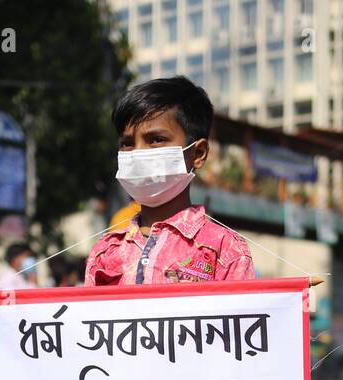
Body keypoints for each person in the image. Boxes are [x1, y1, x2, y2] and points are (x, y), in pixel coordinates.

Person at [85, 76, 255, 286]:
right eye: (127, 143)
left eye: (156, 140)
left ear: (198, 153)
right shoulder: (105, 252)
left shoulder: (225, 250)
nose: (138, 153)